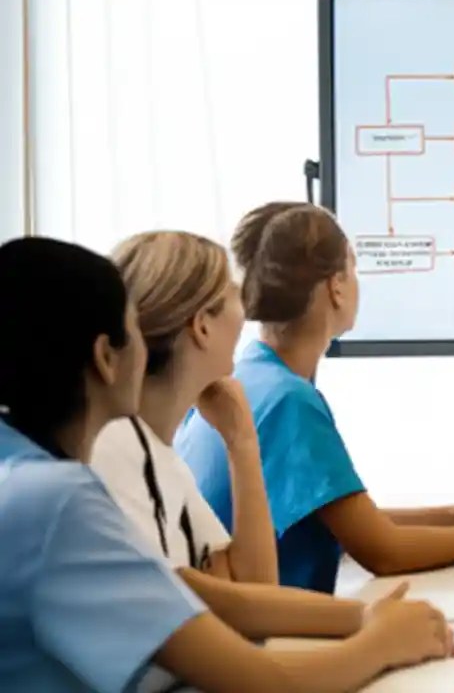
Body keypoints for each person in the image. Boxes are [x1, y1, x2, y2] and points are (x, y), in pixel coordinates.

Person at [0, 237, 454, 693]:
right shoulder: (60, 497)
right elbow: (260, 681)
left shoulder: (30, 472)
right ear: (105, 357)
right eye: (132, 328)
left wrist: (364, 617)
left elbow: (199, 591)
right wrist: (381, 642)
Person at [178, 202, 454, 594]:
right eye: (353, 270)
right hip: (275, 637)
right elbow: (383, 551)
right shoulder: (291, 401)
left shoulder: (246, 376)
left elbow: (349, 521)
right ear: (336, 286)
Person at [94, 230, 397, 642]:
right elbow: (235, 614)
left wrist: (242, 442)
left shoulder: (158, 455)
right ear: (202, 326)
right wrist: (371, 623)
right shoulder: (114, 452)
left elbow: (254, 591)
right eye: (234, 293)